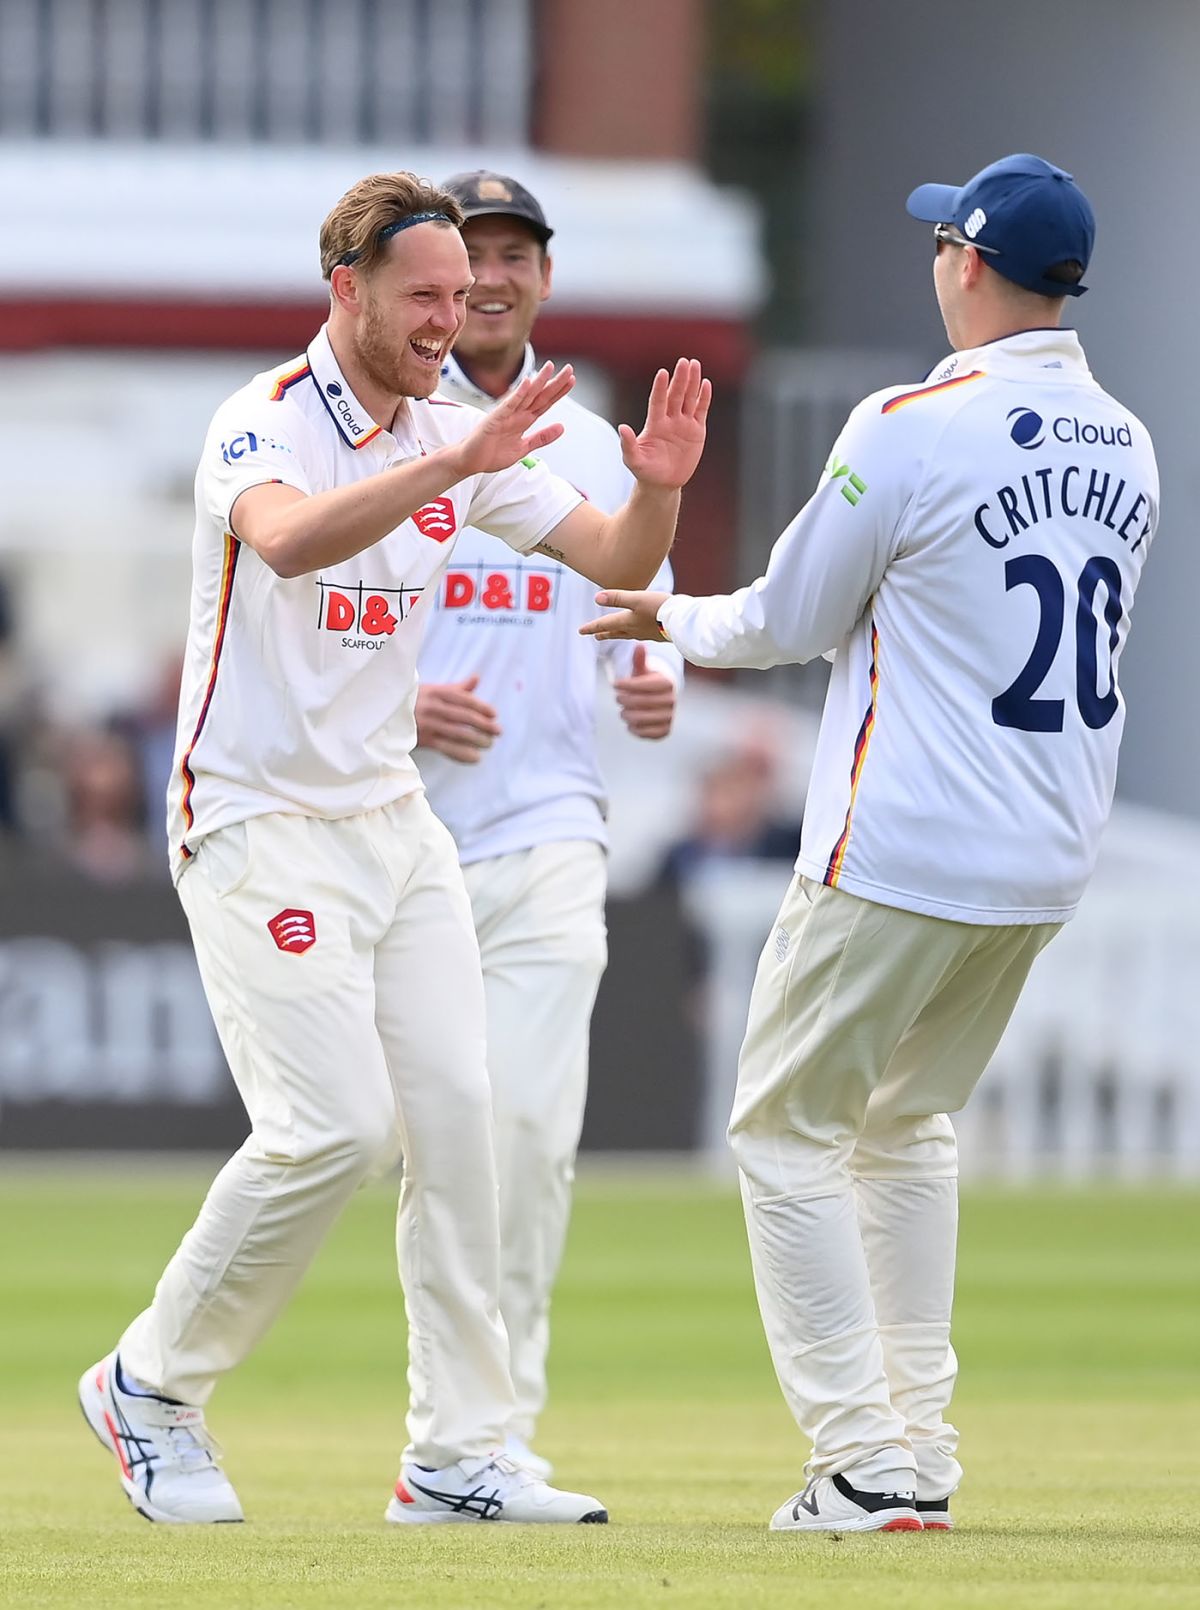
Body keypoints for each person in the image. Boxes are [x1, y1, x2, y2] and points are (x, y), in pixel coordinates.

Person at [78, 170, 710, 1528]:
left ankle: (459, 1453)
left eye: (457, 294)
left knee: (462, 1129)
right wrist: (451, 461)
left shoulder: (451, 433)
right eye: (421, 294)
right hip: (254, 820)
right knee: (334, 1129)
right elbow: (295, 541)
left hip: (390, 823)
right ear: (345, 289)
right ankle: (149, 1383)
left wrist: (654, 496)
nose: (448, 317)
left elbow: (607, 550)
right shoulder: (261, 424)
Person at [581, 154, 1157, 1533]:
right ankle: (920, 1447)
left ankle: (860, 1458)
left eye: (940, 243)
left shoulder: (907, 423)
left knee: (783, 1128)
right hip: (1042, 853)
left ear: (967, 261)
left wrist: (668, 615)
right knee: (906, 1127)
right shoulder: (1128, 437)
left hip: (902, 845)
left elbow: (785, 619)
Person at [412, 170, 684, 1477]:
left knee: (525, 1140)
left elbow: (650, 596)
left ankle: (483, 1436)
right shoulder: (378, 429)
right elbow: (286, 617)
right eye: (471, 256)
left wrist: (656, 675)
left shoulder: (587, 441)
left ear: (544, 279)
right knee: (383, 1142)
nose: (495, 277)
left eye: (516, 254)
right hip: (391, 841)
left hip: (548, 830)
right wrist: (401, 698)